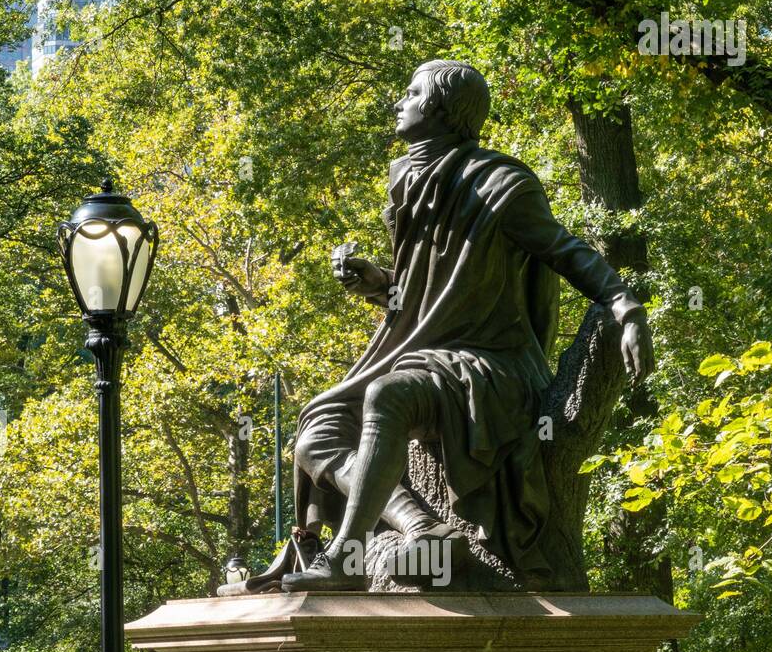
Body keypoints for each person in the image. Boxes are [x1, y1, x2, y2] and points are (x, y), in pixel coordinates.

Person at [250, 60, 653, 592]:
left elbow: (565, 251)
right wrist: (377, 282)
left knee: (386, 397)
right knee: (315, 431)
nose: (400, 102)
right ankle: (422, 529)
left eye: (411, 93)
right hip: (423, 354)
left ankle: (346, 559)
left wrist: (626, 307)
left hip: (491, 364)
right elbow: (427, 292)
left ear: (439, 108)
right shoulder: (407, 179)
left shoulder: (502, 184)